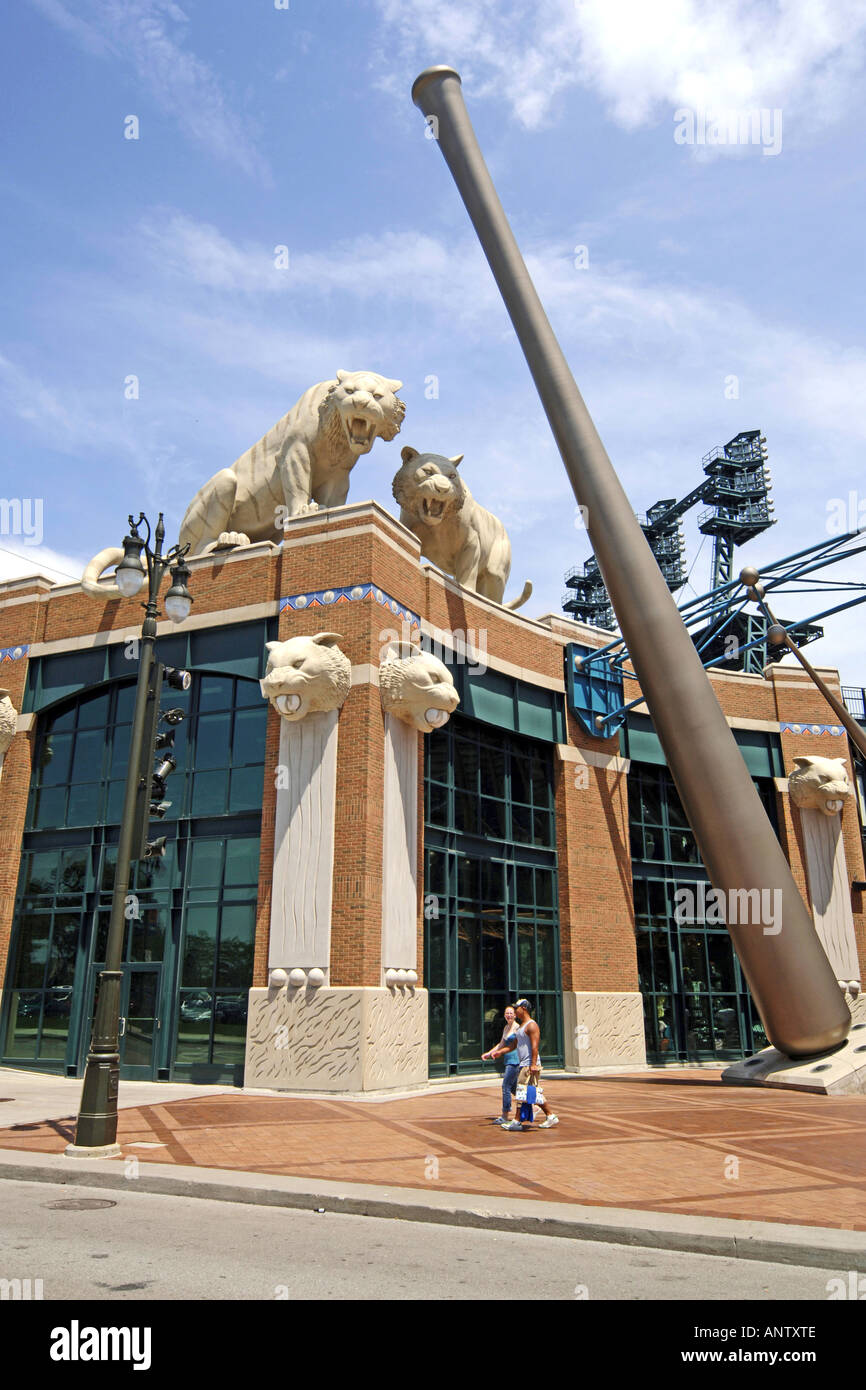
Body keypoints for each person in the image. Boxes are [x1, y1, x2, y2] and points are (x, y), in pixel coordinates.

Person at [503, 999, 558, 1131]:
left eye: (517, 1008)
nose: (515, 1011)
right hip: (525, 1064)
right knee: (531, 1092)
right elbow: (514, 1045)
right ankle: (550, 1116)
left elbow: (535, 1046)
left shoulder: (531, 1025)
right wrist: (498, 1052)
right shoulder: (522, 1026)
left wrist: (533, 1065)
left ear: (524, 1008)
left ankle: (516, 1121)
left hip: (529, 1065)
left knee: (522, 1091)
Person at [482, 1005, 520, 1125]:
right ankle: (535, 1104)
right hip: (508, 1060)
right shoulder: (506, 1028)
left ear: (515, 1015)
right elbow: (501, 1044)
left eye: (511, 1013)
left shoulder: (518, 1028)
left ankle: (505, 1115)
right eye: (507, 1013)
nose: (509, 1015)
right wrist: (489, 1053)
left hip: (515, 1061)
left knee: (505, 1087)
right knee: (514, 1088)